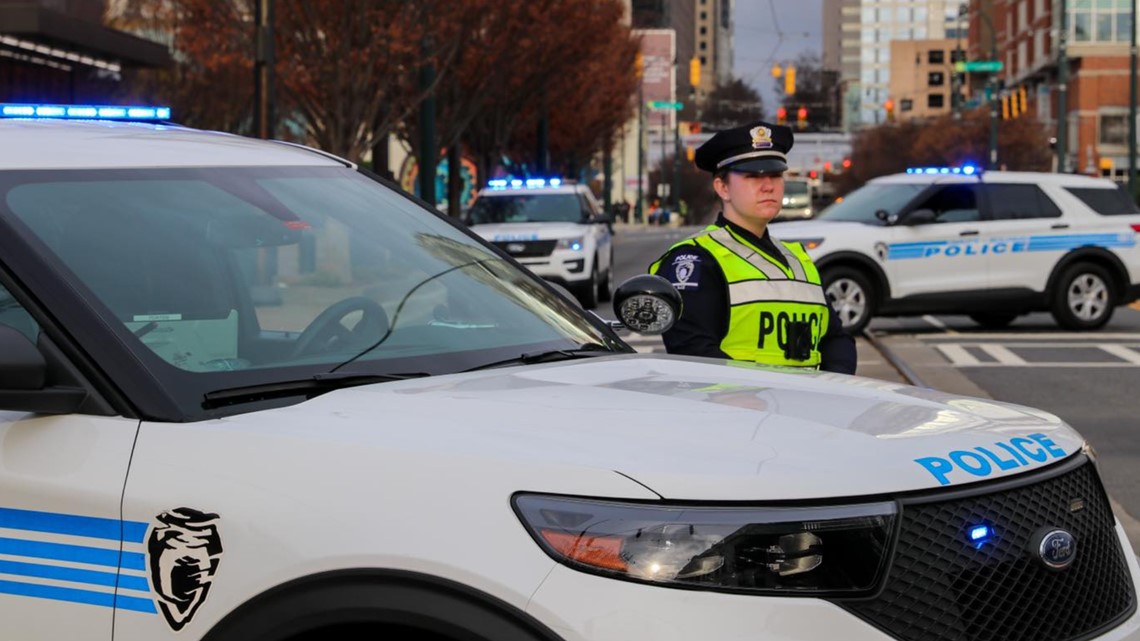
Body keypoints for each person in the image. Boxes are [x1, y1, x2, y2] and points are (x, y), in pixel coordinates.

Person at [649, 119, 857, 374]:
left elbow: (836, 338)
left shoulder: (797, 259)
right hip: (735, 409)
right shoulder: (697, 260)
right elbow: (694, 351)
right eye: (752, 176)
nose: (768, 186)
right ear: (722, 187)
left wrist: (833, 390)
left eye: (775, 175)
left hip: (804, 408)